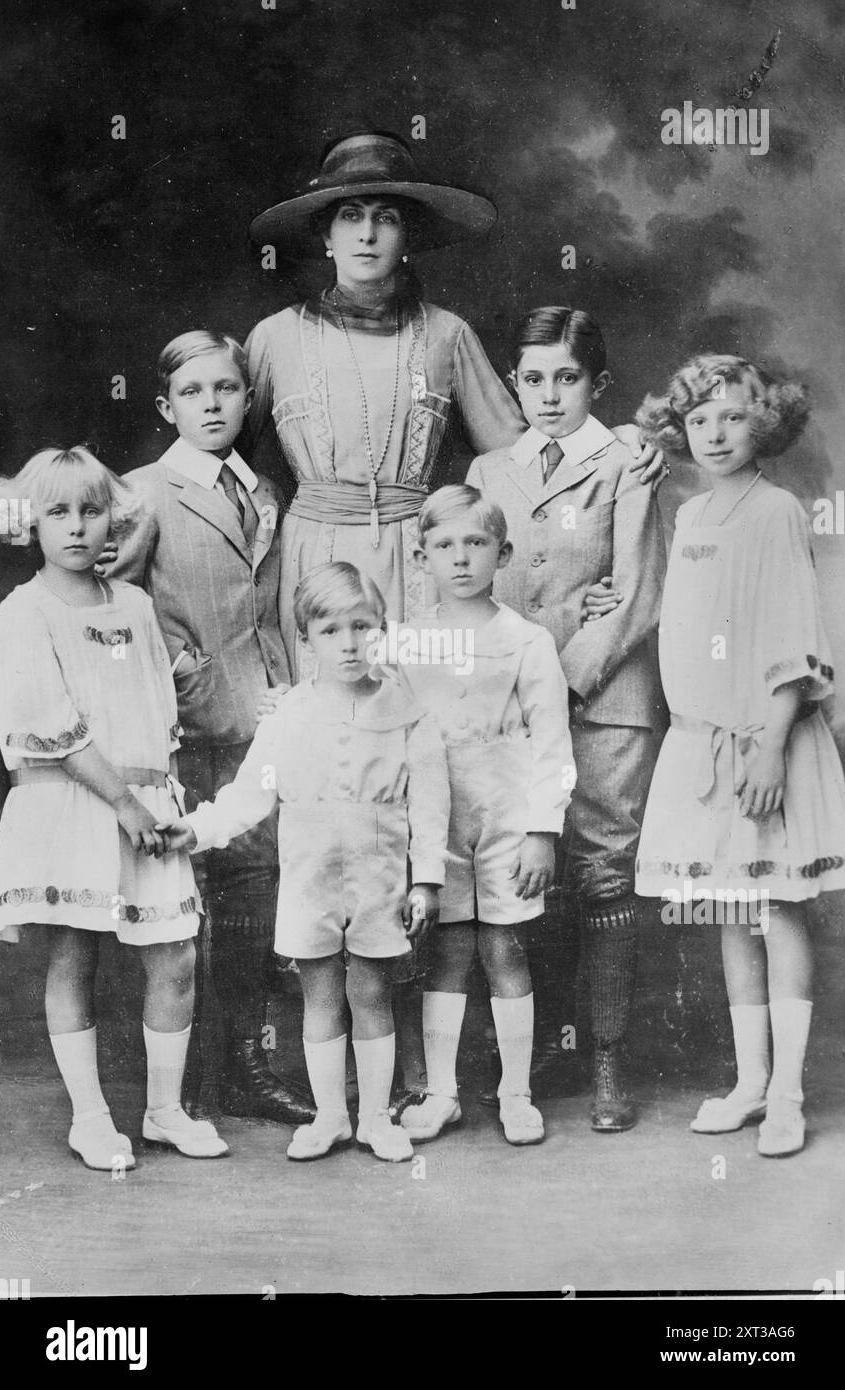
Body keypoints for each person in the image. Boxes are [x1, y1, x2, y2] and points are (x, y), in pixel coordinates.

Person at [245, 128, 665, 1105]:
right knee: (319, 787)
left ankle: (407, 1061)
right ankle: (289, 1047)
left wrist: (634, 457)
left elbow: (526, 459)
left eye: (387, 215)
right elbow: (221, 452)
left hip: (422, 575)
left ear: (411, 236)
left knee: (414, 792)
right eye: (350, 213)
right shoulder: (273, 340)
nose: (367, 232)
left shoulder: (447, 336)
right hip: (317, 562)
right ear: (322, 231)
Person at [158, 562, 450, 1163]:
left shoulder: (408, 713)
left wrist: (426, 882)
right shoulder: (288, 716)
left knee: (371, 993)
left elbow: (430, 804)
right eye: (331, 630)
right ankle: (330, 1117)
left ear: (382, 631)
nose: (349, 643)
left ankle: (375, 1118)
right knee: (320, 997)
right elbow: (249, 794)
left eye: (363, 627)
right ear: (306, 639)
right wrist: (196, 828)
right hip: (310, 881)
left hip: (379, 881)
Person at [634, 354, 845, 1157]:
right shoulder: (689, 516)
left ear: (761, 422)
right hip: (701, 746)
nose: (714, 433)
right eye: (698, 420)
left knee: (778, 908)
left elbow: (793, 633)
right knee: (727, 910)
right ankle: (748, 1081)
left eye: (730, 416)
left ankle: (788, 1091)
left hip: (767, 742)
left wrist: (767, 744)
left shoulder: (776, 510)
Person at [103, 330, 314, 1125]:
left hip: (257, 723)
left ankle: (244, 1066)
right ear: (165, 407)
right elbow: (107, 607)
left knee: (251, 893)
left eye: (226, 389)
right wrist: (174, 668)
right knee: (185, 907)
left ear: (247, 398)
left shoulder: (262, 491)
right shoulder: (144, 491)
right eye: (193, 393)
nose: (213, 404)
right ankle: (185, 1082)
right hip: (184, 729)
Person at [0, 447, 227, 1169]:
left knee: (174, 956)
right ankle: (91, 1118)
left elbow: (156, 704)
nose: (75, 527)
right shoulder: (23, 610)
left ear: (112, 520)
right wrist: (121, 800)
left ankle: (162, 1110)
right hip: (72, 801)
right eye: (56, 512)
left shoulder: (133, 605)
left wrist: (159, 793)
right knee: (73, 955)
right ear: (29, 522)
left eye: (90, 511)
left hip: (143, 801)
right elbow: (49, 720)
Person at [467, 307, 666, 1132]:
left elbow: (638, 591)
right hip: (515, 710)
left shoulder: (626, 461)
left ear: (598, 383)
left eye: (568, 378)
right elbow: (485, 586)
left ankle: (609, 1058)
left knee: (601, 870)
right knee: (526, 876)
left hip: (605, 700)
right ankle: (549, 1044)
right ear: (514, 380)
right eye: (534, 377)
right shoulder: (489, 470)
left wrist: (562, 667)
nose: (549, 395)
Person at [394, 485, 575, 1146]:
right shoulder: (406, 643)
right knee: (445, 949)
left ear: (501, 553)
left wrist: (541, 831)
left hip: (506, 810)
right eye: (444, 546)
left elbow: (551, 741)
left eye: (475, 544)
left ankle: (515, 1093)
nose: (461, 559)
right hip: (435, 815)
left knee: (502, 945)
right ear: (422, 556)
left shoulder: (526, 640)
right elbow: (390, 730)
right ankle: (440, 1093)